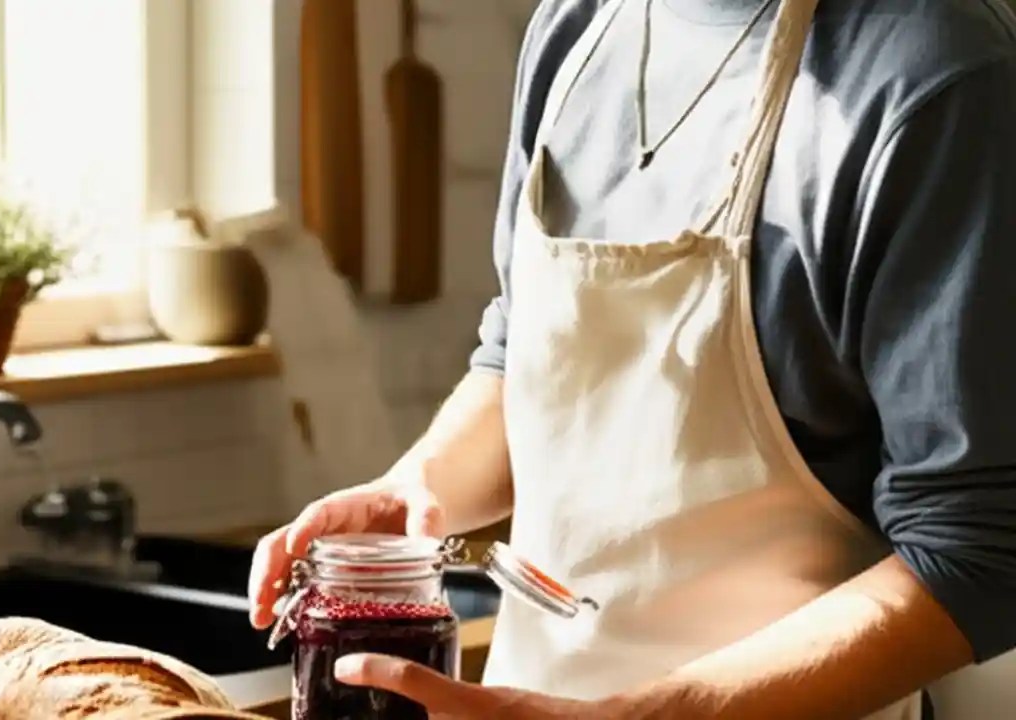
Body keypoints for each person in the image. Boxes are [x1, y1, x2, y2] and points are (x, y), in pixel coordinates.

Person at [249, 0, 1016, 717]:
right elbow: (526, 363)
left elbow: (979, 554)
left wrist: (645, 713)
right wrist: (418, 486)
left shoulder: (940, 74)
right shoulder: (578, 26)